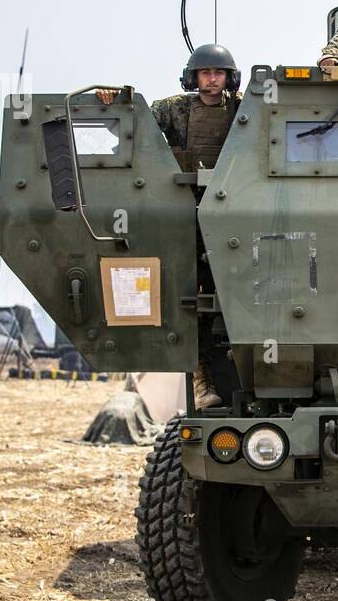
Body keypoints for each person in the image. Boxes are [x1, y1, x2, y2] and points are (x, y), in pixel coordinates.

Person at [99, 44, 241, 409]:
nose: (212, 78)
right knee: (188, 301)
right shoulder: (174, 109)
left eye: (218, 72)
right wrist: (113, 101)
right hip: (184, 214)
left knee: (236, 296)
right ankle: (201, 381)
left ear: (228, 77)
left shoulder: (244, 109)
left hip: (234, 215)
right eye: (205, 72)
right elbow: (134, 124)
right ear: (194, 77)